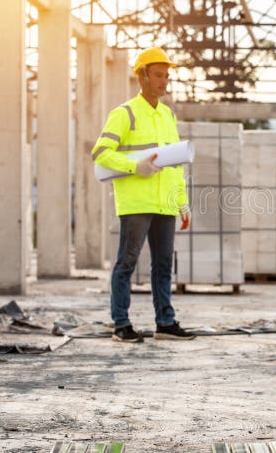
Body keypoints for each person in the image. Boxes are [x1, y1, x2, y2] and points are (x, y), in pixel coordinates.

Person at [91, 46, 194, 343]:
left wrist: (181, 203)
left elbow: (174, 164)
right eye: (158, 75)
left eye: (167, 76)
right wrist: (135, 166)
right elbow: (100, 153)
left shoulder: (168, 116)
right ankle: (121, 324)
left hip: (164, 203)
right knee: (127, 262)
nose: (164, 81)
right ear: (142, 77)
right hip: (136, 202)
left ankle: (165, 322)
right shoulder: (125, 114)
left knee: (163, 266)